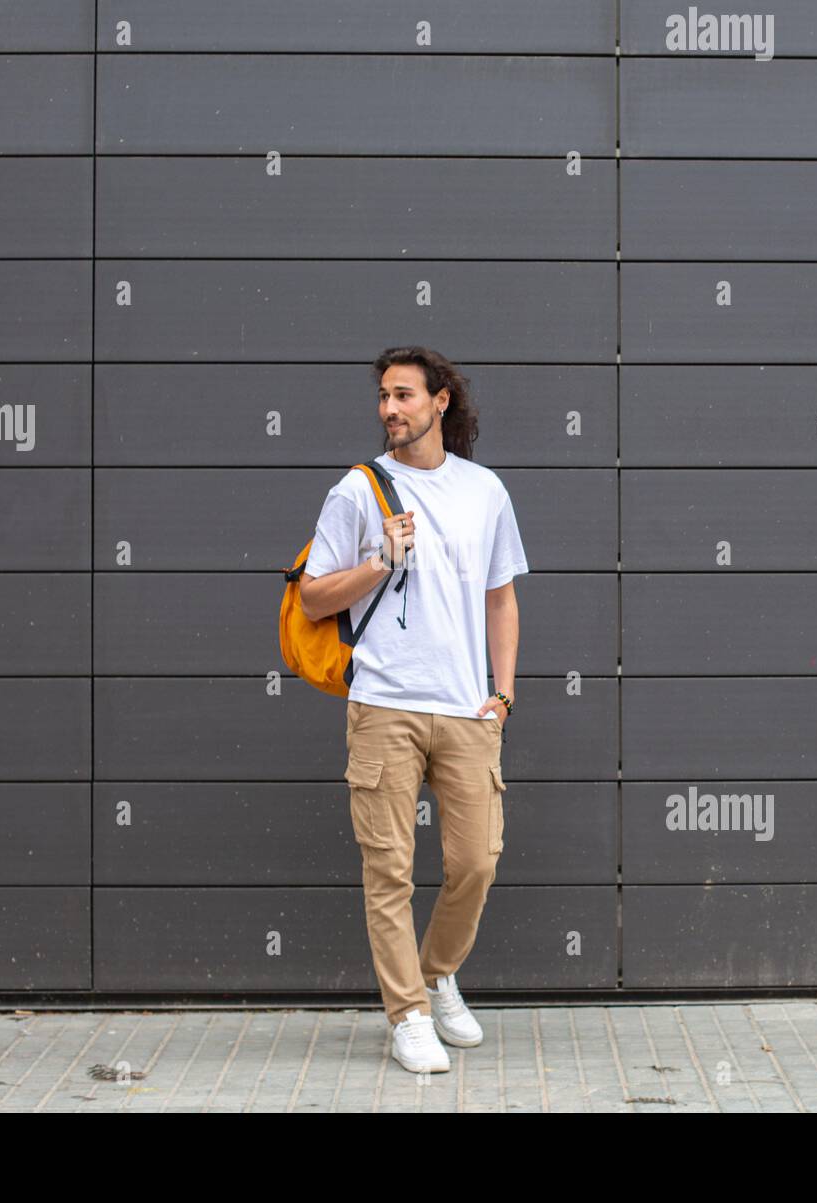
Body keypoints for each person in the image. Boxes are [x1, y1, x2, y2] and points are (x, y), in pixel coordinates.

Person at [298, 346, 529, 1073]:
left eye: (403, 395)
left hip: (466, 708)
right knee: (388, 869)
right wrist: (378, 563)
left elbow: (501, 596)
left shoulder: (485, 490)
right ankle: (407, 1013)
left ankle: (437, 973)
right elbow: (310, 596)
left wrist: (503, 691)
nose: (389, 409)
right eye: (384, 397)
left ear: (441, 402)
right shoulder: (358, 490)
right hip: (384, 706)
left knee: (477, 860)